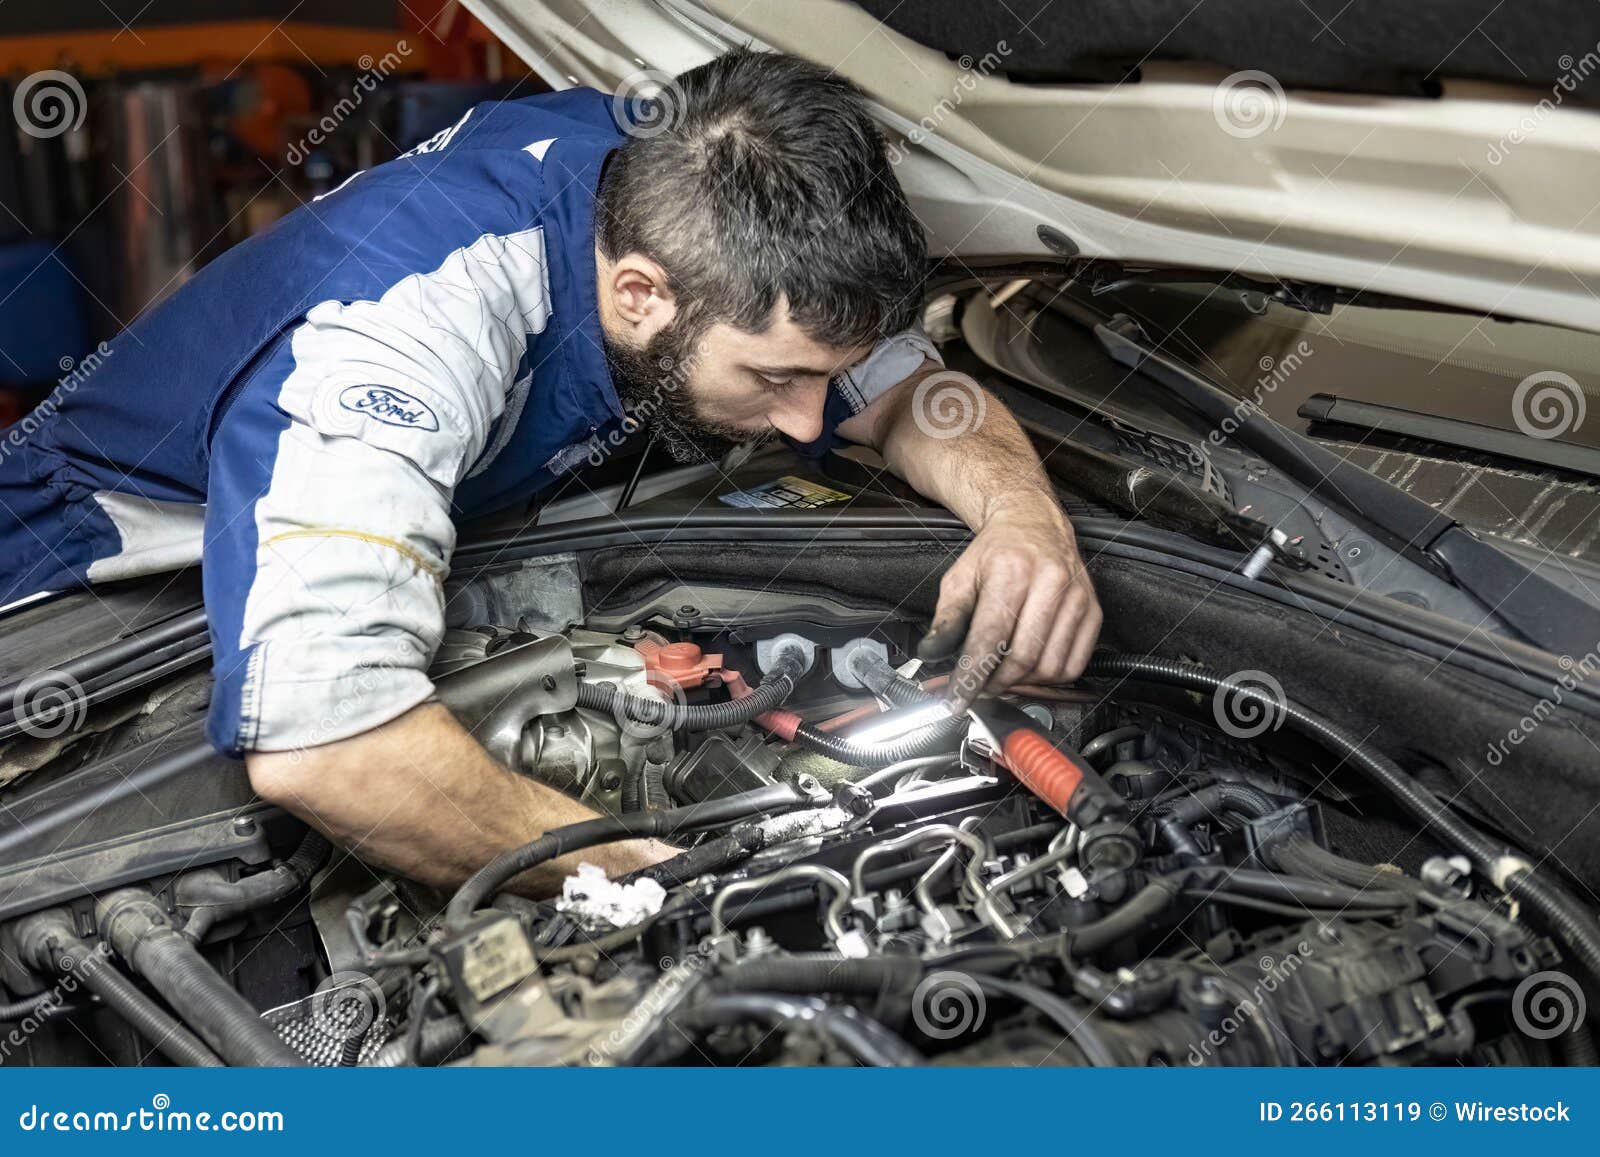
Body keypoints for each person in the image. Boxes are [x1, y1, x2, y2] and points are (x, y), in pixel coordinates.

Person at [0, 51, 1099, 893]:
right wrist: (649, 875)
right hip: (81, 592)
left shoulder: (669, 169)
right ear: (638, 295)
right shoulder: (403, 336)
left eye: (823, 378)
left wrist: (1023, 521)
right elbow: (326, 742)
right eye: (775, 379)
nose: (810, 419)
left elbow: (906, 393)